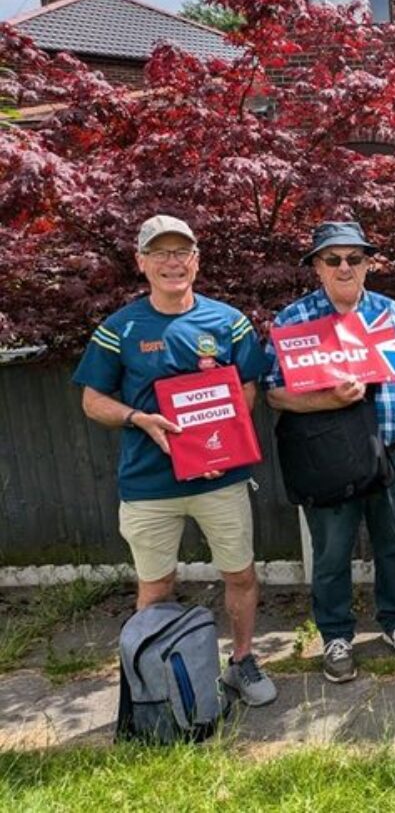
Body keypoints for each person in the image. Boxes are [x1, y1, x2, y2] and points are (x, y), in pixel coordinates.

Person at [74, 214, 277, 706]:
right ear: (141, 262)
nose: (172, 262)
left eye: (181, 252)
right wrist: (138, 419)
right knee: (156, 584)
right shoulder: (118, 329)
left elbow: (248, 385)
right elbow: (92, 400)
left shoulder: (228, 321)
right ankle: (154, 684)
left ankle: (242, 661)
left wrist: (220, 440)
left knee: (241, 575)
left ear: (196, 260)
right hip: (149, 485)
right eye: (160, 253)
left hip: (220, 479)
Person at [263, 221, 395, 684]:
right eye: (332, 259)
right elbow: (274, 395)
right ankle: (336, 635)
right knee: (332, 552)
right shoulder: (295, 321)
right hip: (331, 459)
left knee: (394, 545)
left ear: (368, 264)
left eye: (354, 258)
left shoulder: (390, 314)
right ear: (316, 266)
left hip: (393, 453)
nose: (344, 267)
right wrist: (329, 400)